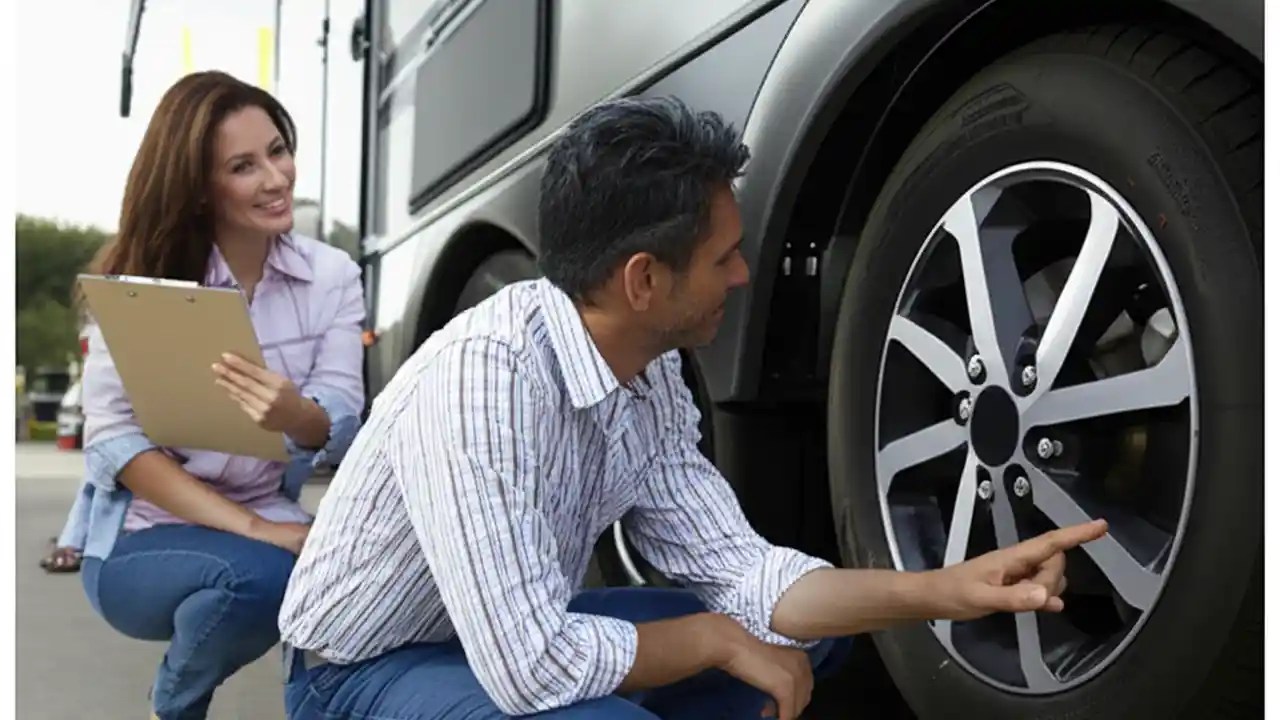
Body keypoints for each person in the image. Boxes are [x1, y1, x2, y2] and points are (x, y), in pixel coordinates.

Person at [276, 96, 1107, 720]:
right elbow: (528, 665)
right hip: (359, 670)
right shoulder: (483, 380)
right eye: (723, 257)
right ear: (643, 280)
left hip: (496, 631)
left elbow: (746, 576)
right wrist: (714, 642)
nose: (743, 276)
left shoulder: (647, 369)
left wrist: (949, 589)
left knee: (799, 635)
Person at [57, 70, 366, 720]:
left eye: (278, 150)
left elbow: (341, 414)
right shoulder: (138, 286)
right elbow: (113, 443)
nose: (277, 178)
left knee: (364, 583)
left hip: (268, 512)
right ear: (199, 189)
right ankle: (175, 705)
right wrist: (260, 530)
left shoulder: (333, 276)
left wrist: (297, 416)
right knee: (264, 577)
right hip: (141, 540)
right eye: (244, 166)